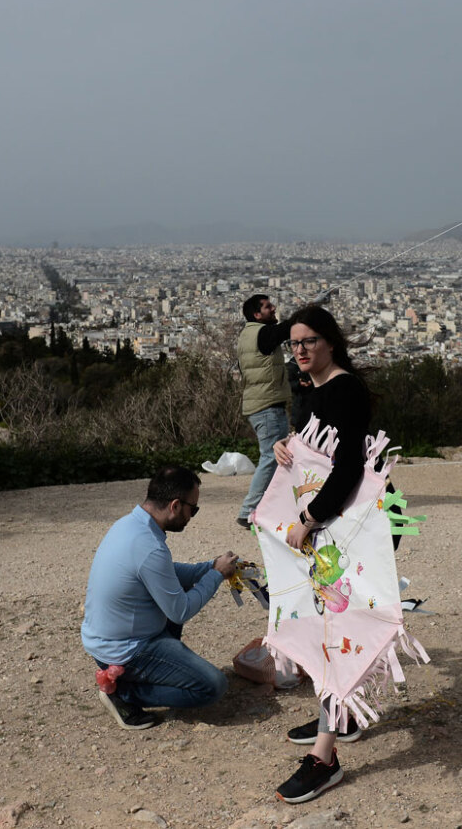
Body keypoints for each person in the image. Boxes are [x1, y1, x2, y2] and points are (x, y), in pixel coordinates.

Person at [270, 305, 372, 803]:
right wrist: (283, 447)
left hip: (345, 526)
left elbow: (348, 464)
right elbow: (315, 448)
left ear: (330, 341)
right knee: (330, 626)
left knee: (334, 631)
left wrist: (310, 520)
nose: (301, 350)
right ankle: (343, 714)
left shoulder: (346, 389)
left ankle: (325, 758)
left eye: (309, 340)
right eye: (294, 343)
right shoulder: (311, 391)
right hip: (327, 526)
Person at [80, 465, 240, 729]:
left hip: (112, 639)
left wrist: (209, 566)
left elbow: (165, 573)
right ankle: (122, 693)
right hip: (126, 650)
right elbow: (180, 610)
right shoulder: (149, 547)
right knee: (213, 686)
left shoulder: (130, 525)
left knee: (175, 591)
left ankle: (141, 676)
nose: (192, 516)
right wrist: (216, 576)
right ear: (175, 505)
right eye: (193, 509)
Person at [235, 295, 294, 529]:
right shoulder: (262, 334)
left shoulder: (247, 335)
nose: (273, 309)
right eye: (268, 307)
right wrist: (310, 310)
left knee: (275, 457)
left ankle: (269, 506)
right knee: (272, 457)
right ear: (257, 315)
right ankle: (248, 511)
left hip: (262, 404)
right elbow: (285, 329)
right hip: (267, 406)